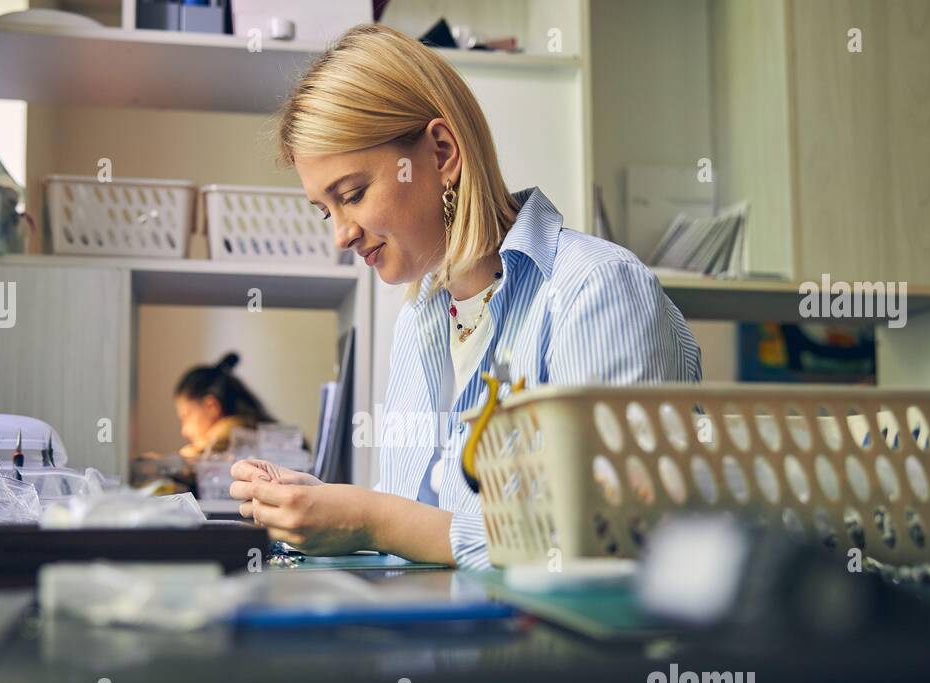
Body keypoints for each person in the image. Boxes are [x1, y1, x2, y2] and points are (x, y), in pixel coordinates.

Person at [230, 23, 701, 570]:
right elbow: (424, 527)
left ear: (443, 152)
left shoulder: (594, 289)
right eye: (325, 210)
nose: (341, 234)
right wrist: (323, 510)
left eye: (353, 195)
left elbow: (608, 539)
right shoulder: (421, 322)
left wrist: (372, 517)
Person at [174, 352, 276, 461]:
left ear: (211, 406)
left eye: (186, 417)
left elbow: (196, 455)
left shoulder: (230, 432)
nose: (184, 431)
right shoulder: (253, 425)